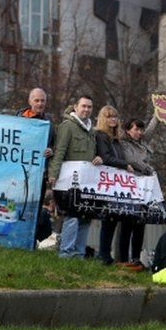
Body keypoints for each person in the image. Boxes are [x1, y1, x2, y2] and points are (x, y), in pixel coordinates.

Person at [48, 95, 103, 259]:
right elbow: (59, 152)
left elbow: (95, 154)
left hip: (88, 182)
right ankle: (66, 253)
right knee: (72, 216)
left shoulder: (92, 131)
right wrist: (53, 174)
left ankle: (78, 255)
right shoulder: (67, 126)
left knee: (86, 217)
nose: (86, 110)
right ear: (76, 107)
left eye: (89, 107)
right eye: (83, 106)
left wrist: (100, 158)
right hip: (69, 182)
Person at [119, 117, 159, 270]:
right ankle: (123, 258)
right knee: (127, 224)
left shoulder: (142, 142)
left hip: (144, 188)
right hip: (129, 186)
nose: (140, 132)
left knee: (140, 224)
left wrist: (158, 113)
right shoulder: (124, 143)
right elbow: (132, 160)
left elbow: (152, 128)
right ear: (128, 130)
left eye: (141, 130)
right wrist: (148, 168)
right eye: (136, 129)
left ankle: (135, 258)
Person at [93, 105, 132, 266]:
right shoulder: (102, 136)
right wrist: (125, 165)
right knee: (108, 220)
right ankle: (103, 255)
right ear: (103, 119)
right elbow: (106, 157)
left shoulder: (116, 140)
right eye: (109, 117)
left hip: (117, 184)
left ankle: (107, 255)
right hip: (107, 183)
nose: (113, 120)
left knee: (113, 219)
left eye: (115, 117)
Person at [19, 88, 57, 247]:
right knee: (18, 205)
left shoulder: (49, 122)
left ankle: (30, 241)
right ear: (30, 101)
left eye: (43, 101)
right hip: (19, 173)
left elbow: (55, 144)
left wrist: (51, 150)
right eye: (37, 100)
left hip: (39, 174)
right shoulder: (19, 119)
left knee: (35, 207)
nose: (40, 104)